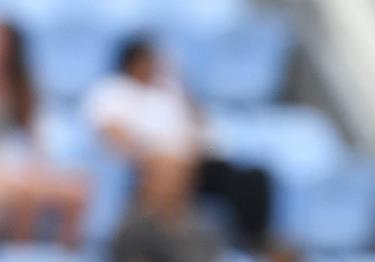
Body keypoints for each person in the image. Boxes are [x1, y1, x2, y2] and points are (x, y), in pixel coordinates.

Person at [86, 38, 271, 248]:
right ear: (132, 63)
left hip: (195, 161)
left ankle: (253, 245)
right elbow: (112, 133)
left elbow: (202, 124)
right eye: (148, 61)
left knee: (254, 178)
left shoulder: (169, 89)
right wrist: (154, 155)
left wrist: (183, 88)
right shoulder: (113, 91)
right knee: (169, 173)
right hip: (152, 165)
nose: (153, 66)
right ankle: (165, 247)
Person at [0, 22, 87, 246]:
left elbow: (36, 139)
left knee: (77, 188)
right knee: (26, 194)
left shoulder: (27, 88)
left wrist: (38, 166)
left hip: (21, 165)